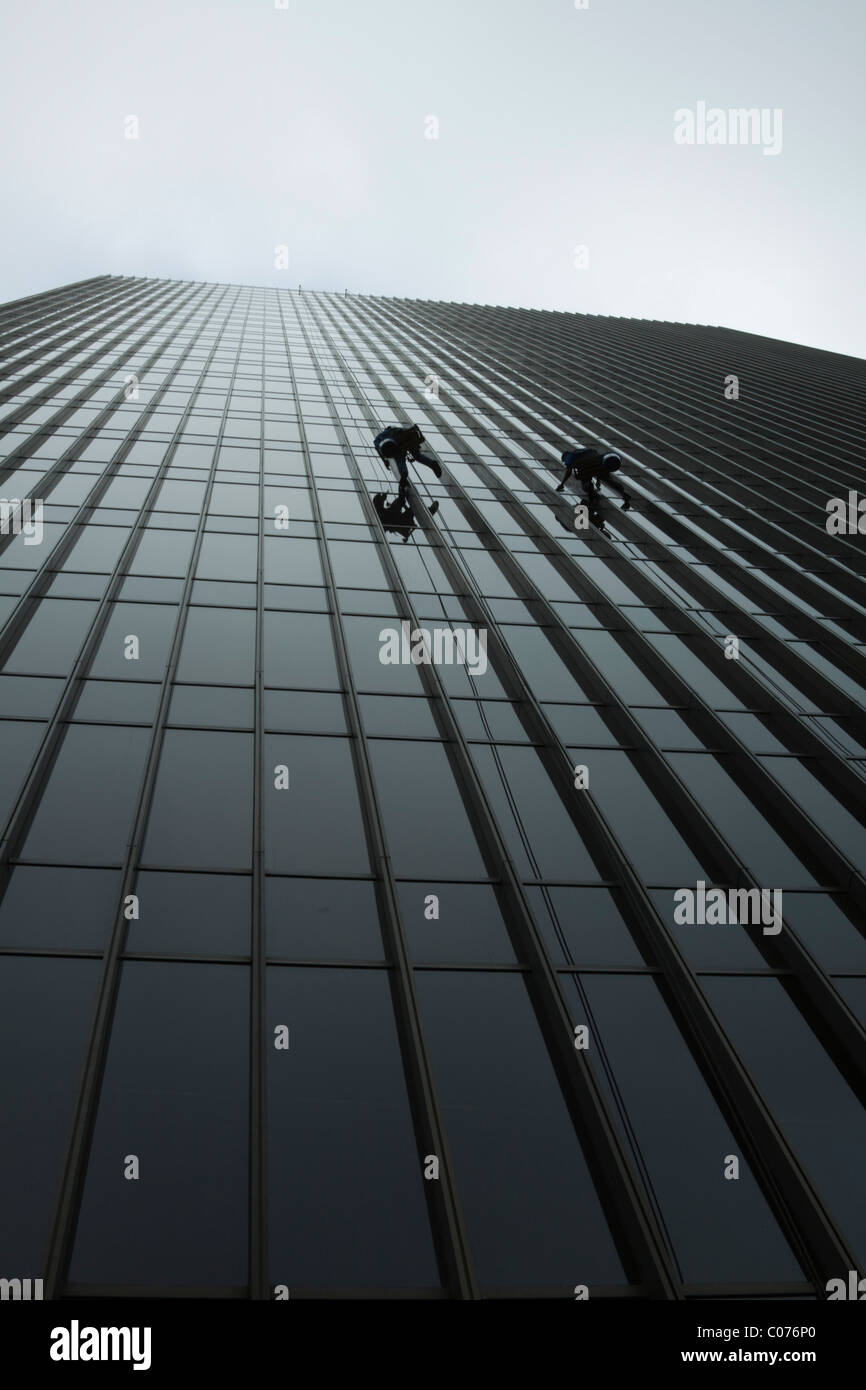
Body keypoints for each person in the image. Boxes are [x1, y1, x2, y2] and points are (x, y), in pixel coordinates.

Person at [555, 446, 632, 511]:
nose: (565, 462)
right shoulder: (585, 451)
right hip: (601, 464)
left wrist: (562, 484)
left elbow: (568, 472)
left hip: (587, 469)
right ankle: (624, 494)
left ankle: (594, 500)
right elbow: (596, 461)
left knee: (586, 484)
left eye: (564, 461)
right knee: (610, 481)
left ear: (565, 456)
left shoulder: (569, 456)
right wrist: (598, 480)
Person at [373, 424, 442, 493]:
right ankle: (432, 463)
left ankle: (403, 475)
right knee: (417, 456)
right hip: (406, 439)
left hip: (393, 446)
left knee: (400, 459)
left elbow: (378, 448)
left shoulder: (380, 437)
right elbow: (411, 433)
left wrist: (385, 462)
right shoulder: (396, 430)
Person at [372, 490, 438, 542]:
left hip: (397, 518)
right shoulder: (380, 514)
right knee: (409, 509)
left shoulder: (382, 511)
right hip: (397, 520)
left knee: (408, 508)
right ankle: (430, 511)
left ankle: (430, 511)